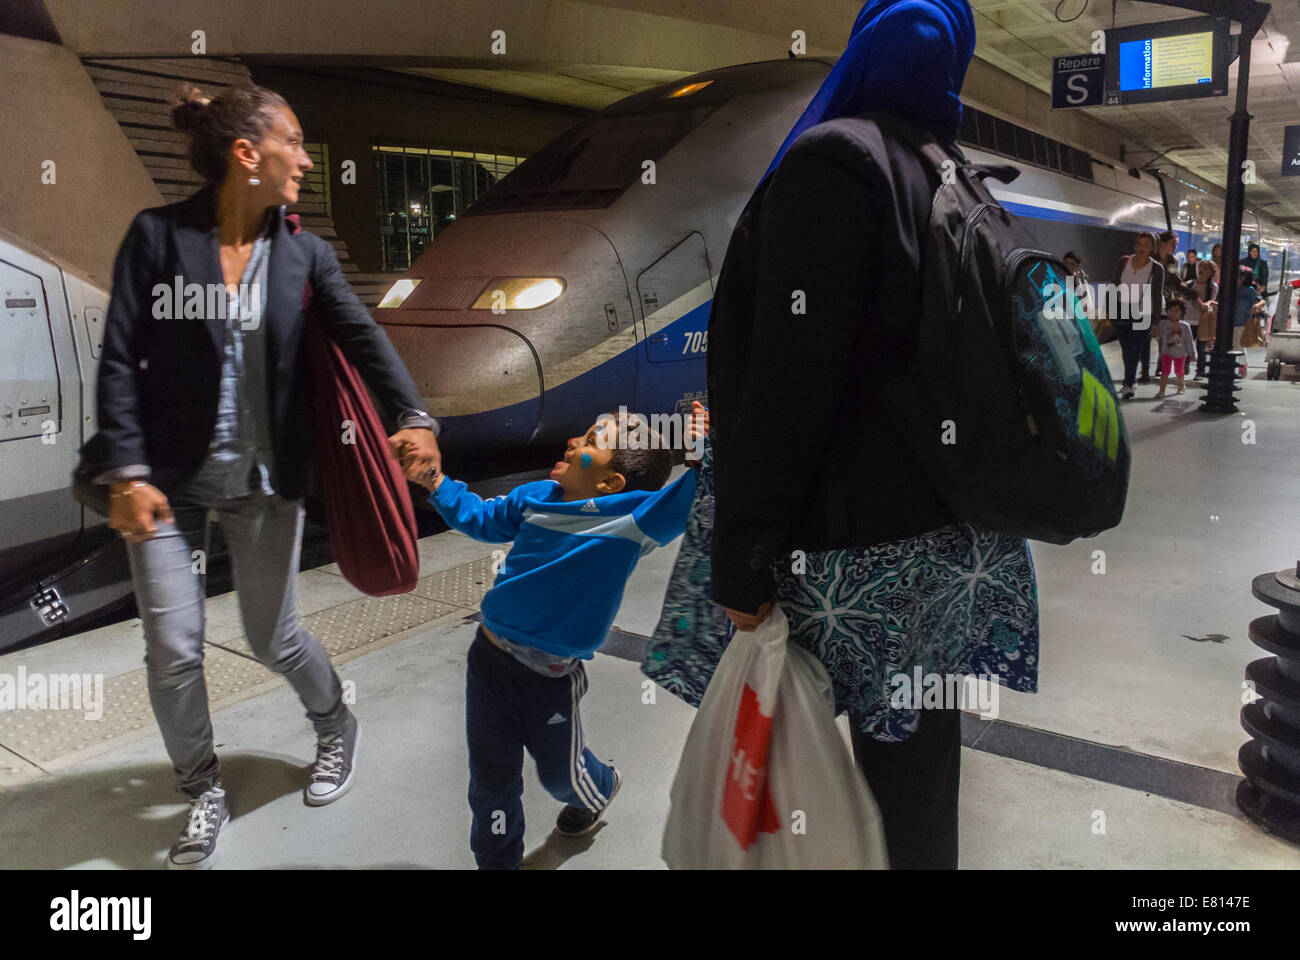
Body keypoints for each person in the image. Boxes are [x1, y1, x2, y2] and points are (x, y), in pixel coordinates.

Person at [704, 0, 1040, 870]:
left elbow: (791, 380)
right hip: (950, 544)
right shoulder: (951, 173)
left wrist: (742, 547)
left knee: (808, 774)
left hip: (855, 555)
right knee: (916, 780)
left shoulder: (834, 162)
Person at [95, 83, 442, 869]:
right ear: (246, 154)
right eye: (294, 140)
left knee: (272, 635)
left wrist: (416, 417)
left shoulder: (304, 254)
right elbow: (119, 358)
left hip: (264, 482)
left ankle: (334, 725)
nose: (305, 158)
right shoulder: (156, 239)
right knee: (173, 650)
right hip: (166, 485)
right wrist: (124, 465)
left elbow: (363, 338)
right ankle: (202, 788)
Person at [420, 406, 707, 869]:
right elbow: (482, 519)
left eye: (592, 441)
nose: (574, 440)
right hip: (488, 661)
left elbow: (692, 497)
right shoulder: (537, 496)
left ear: (610, 484)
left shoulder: (634, 518)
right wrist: (437, 481)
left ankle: (600, 785)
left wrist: (699, 452)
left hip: (548, 679)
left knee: (561, 778)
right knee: (490, 782)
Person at [1111, 232, 1165, 398]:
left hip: (1142, 312)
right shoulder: (1124, 261)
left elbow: (1157, 294)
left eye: (1146, 245)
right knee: (1125, 348)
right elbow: (1114, 284)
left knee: (1133, 348)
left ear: (1152, 248)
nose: (1142, 248)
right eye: (1140, 244)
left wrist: (1155, 322)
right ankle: (1129, 379)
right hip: (1120, 309)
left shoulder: (1156, 268)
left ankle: (1129, 383)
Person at [1155, 299, 1196, 398]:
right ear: (1167, 311)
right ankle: (1161, 391)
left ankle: (1181, 386)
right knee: (1165, 371)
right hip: (1166, 352)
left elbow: (1189, 341)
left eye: (1176, 311)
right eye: (1171, 310)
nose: (1173, 313)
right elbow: (1158, 337)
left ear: (1181, 312)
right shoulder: (1163, 323)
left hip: (1180, 353)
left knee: (1179, 371)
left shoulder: (1185, 326)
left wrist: (1192, 354)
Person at [1187, 259, 1218, 379]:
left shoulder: (1213, 287)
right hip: (1188, 320)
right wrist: (1200, 304)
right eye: (1200, 267)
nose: (1201, 270)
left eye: (1205, 268)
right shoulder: (1190, 284)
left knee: (1201, 347)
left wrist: (1199, 303)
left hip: (1202, 321)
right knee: (1186, 345)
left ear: (1211, 272)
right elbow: (1187, 303)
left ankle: (1200, 370)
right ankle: (1185, 364)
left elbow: (1209, 304)